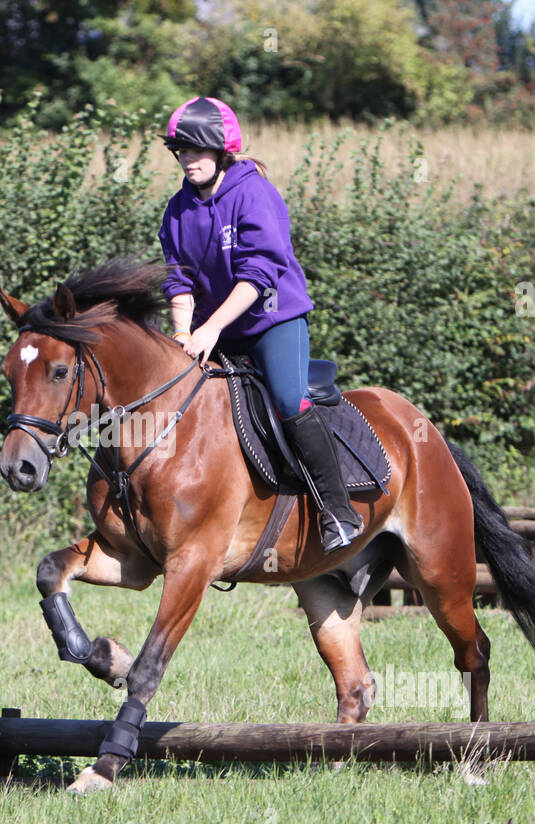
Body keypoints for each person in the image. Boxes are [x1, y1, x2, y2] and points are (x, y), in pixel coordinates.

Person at [156, 95, 363, 551]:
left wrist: (210, 330)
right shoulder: (176, 211)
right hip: (216, 327)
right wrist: (183, 333)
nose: (188, 160)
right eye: (181, 151)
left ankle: (338, 512)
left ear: (221, 150)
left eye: (196, 150)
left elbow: (259, 274)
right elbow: (179, 282)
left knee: (288, 397)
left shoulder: (254, 193)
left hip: (272, 320)